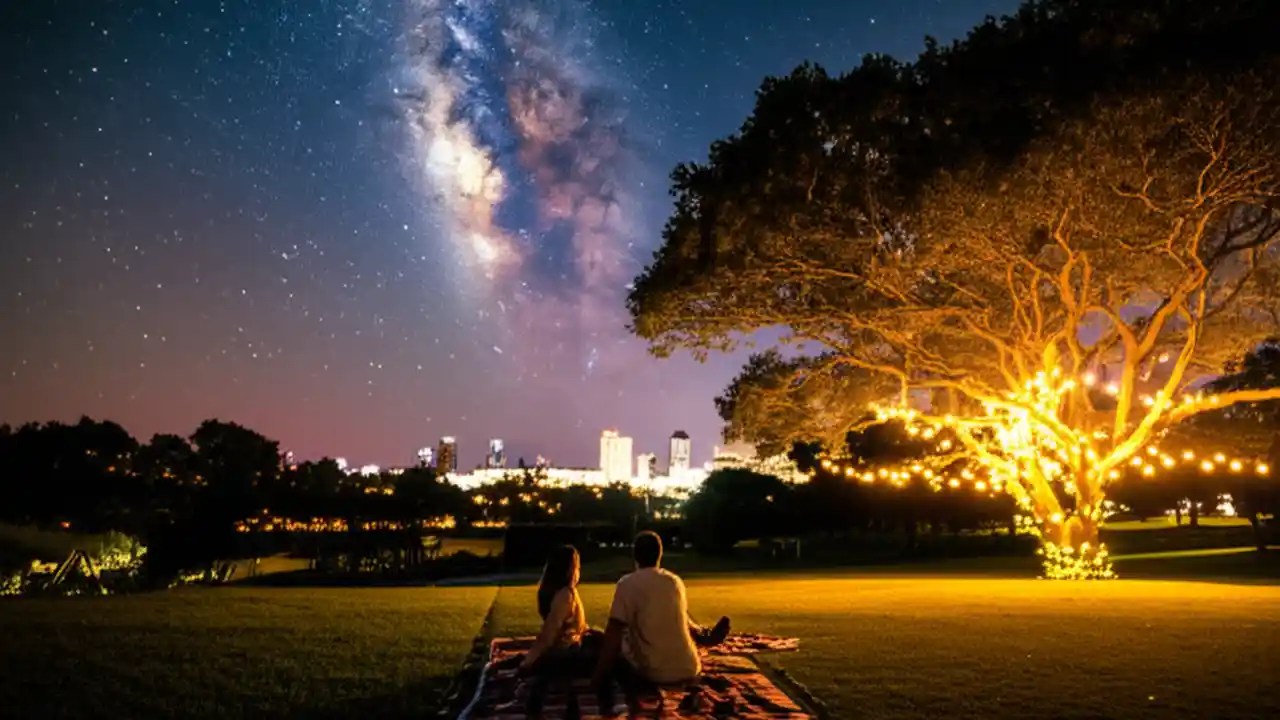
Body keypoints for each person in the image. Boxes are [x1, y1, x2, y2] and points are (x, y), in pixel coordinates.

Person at [591, 531, 730, 690]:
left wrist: (597, 678)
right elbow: (683, 621)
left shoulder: (627, 584)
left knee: (606, 644)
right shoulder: (674, 581)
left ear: (635, 555)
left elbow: (614, 633)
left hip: (652, 674)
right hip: (690, 668)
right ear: (660, 554)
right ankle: (704, 637)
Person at [518, 544, 590, 675]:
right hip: (565, 653)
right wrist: (527, 663)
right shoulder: (565, 596)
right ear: (571, 570)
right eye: (577, 567)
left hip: (567, 650)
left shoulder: (567, 593)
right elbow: (548, 635)